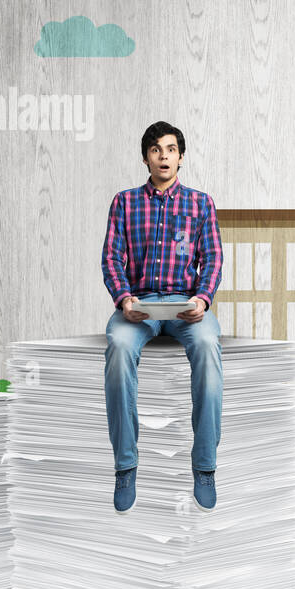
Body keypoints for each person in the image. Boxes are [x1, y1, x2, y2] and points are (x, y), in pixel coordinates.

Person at [100, 121, 224, 514]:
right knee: (118, 346)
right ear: (146, 158)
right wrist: (123, 300)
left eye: (171, 149)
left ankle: (204, 466)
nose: (164, 156)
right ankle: (126, 465)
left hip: (187, 304)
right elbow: (111, 257)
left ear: (181, 157)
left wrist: (203, 300)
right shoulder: (124, 202)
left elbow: (214, 258)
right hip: (138, 304)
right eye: (156, 149)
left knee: (207, 346)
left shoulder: (201, 204)